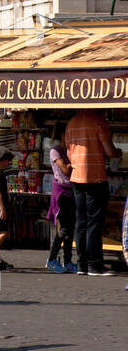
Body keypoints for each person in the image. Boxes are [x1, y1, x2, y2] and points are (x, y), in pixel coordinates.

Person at [66, 107, 119, 276]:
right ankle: (94, 264)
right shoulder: (99, 121)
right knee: (94, 222)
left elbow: (69, 150)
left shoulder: (72, 122)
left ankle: (81, 264)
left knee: (81, 222)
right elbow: (110, 151)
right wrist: (118, 153)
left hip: (77, 176)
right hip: (95, 176)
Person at [45, 132, 76, 273]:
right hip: (61, 193)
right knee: (63, 229)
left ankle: (68, 261)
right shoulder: (55, 151)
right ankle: (51, 259)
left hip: (72, 191)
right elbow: (65, 169)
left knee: (70, 229)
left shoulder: (70, 150)